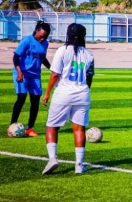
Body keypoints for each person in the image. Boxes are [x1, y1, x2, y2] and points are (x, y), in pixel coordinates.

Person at [41, 23, 94, 175]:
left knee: (51, 126)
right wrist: (83, 91)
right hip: (82, 94)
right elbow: (89, 77)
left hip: (63, 93)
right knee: (79, 129)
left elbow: (55, 74)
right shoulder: (89, 55)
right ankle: (79, 165)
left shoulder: (62, 51)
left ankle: (52, 159)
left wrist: (47, 93)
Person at [11, 21, 51, 137]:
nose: (43, 38)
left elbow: (43, 58)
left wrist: (51, 68)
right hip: (22, 73)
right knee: (21, 98)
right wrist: (19, 72)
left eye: (46, 36)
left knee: (35, 102)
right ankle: (12, 125)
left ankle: (30, 128)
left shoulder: (45, 44)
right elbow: (16, 57)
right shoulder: (27, 40)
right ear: (37, 31)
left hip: (35, 76)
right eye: (41, 36)